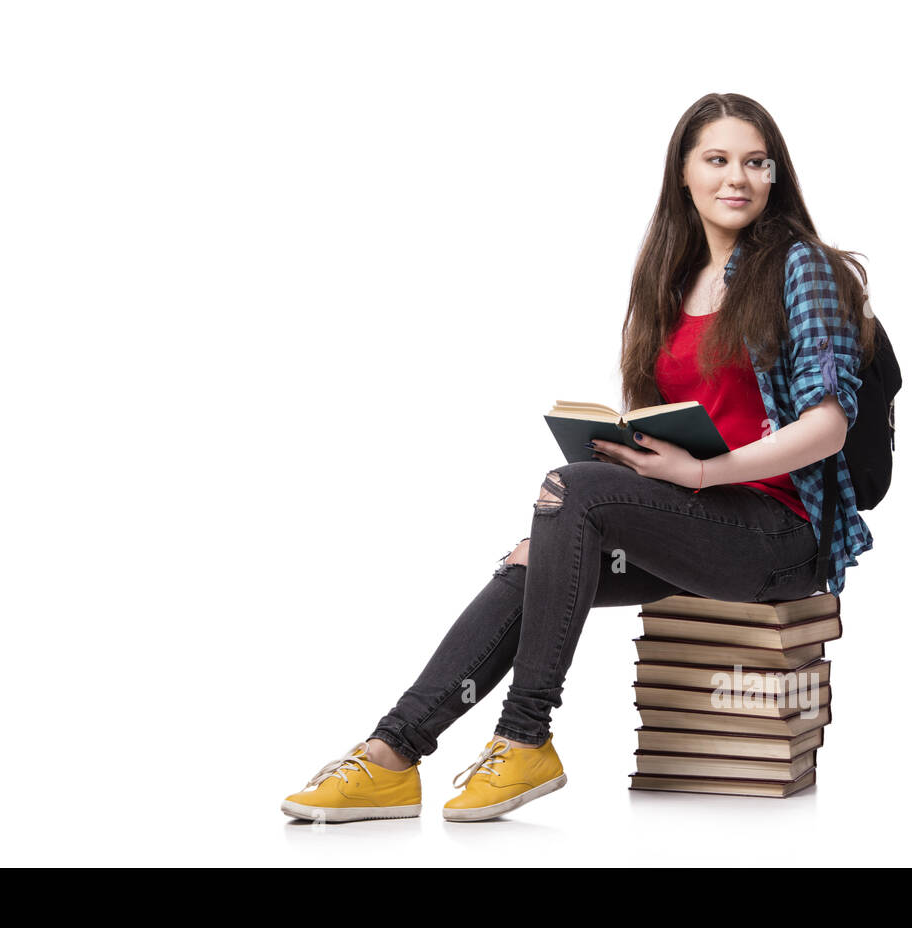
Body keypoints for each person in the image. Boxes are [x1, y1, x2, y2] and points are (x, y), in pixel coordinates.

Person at [281, 92, 879, 824]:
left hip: (781, 534)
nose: (738, 179)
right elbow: (671, 423)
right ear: (683, 174)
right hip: (704, 525)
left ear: (776, 176)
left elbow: (828, 425)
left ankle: (525, 735)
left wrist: (696, 473)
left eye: (757, 162)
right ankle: (391, 756)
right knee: (536, 554)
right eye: (717, 160)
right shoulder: (670, 279)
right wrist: (629, 473)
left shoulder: (801, 267)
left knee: (574, 492)